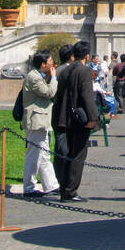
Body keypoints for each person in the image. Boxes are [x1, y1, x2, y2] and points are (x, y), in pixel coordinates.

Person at [61, 40, 99, 202]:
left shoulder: (64, 71)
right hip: (80, 119)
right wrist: (93, 118)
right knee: (78, 155)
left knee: (68, 154)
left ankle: (64, 188)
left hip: (66, 118)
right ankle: (71, 191)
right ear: (87, 56)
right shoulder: (84, 71)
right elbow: (87, 97)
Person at [21, 51, 59, 196]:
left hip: (41, 120)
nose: (52, 63)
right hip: (36, 120)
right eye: (50, 61)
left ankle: (51, 185)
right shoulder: (34, 77)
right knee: (34, 154)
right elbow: (48, 93)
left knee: (44, 154)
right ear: (43, 64)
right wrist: (54, 78)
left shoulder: (38, 76)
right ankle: (29, 187)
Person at [51, 43, 76, 188]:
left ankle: (59, 176)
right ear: (71, 56)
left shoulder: (57, 70)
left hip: (57, 114)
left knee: (60, 148)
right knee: (63, 149)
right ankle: (62, 179)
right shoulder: (67, 71)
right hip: (64, 114)